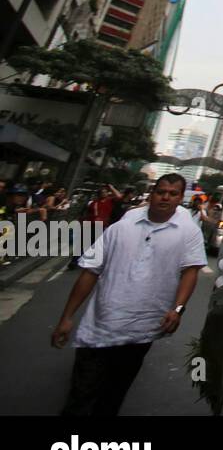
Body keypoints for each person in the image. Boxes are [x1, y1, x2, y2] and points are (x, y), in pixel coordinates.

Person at [51, 173, 207, 416]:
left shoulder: (189, 232)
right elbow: (90, 271)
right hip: (99, 327)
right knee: (80, 397)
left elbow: (191, 272)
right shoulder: (121, 227)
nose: (165, 197)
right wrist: (67, 317)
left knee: (113, 396)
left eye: (173, 193)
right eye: (161, 191)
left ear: (180, 199)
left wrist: (177, 310)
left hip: (141, 331)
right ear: (151, 194)